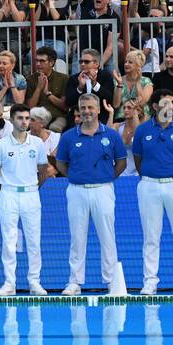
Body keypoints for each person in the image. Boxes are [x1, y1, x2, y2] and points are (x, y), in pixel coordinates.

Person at [54, 94, 127, 294]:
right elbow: (60, 163)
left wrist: (105, 177)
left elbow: (122, 162)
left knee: (107, 236)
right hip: (76, 191)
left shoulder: (111, 135)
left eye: (90, 108)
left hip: (103, 190)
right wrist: (78, 177)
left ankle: (111, 281)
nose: (86, 111)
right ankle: (75, 281)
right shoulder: (69, 136)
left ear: (98, 110)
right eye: (83, 108)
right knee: (77, 237)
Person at [132, 91, 173, 296]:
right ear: (154, 107)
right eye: (164, 102)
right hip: (149, 185)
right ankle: (150, 282)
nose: (169, 105)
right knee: (151, 237)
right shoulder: (143, 130)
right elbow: (138, 159)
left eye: (172, 102)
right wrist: (151, 177)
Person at [0, 104, 48, 296]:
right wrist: (8, 189)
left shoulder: (38, 143)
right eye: (20, 118)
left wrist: (31, 189)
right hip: (8, 194)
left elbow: (43, 172)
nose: (24, 121)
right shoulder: (1, 144)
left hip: (31, 194)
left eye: (27, 118)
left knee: (34, 240)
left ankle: (35, 282)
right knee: (9, 240)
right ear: (11, 120)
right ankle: (9, 283)